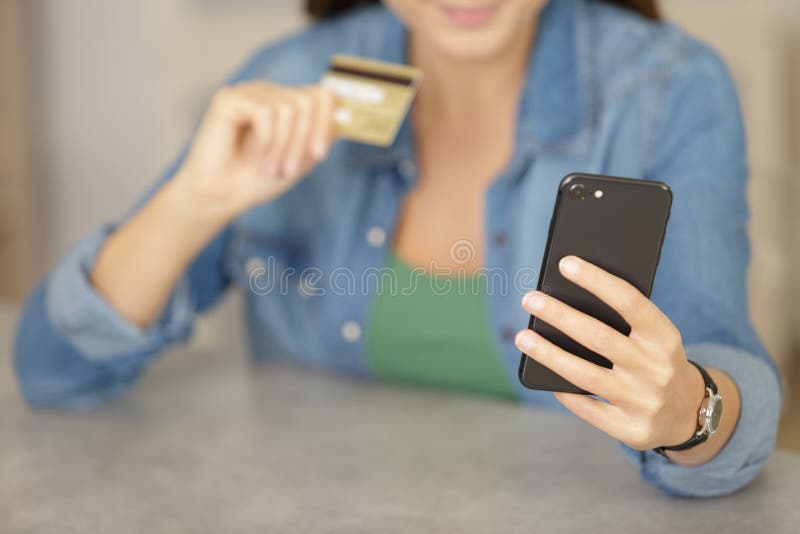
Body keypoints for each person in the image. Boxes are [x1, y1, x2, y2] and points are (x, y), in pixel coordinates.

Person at [13, 0, 780, 497]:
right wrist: (190, 203)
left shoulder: (667, 88)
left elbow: (734, 394)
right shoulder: (290, 76)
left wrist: (689, 411)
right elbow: (54, 370)